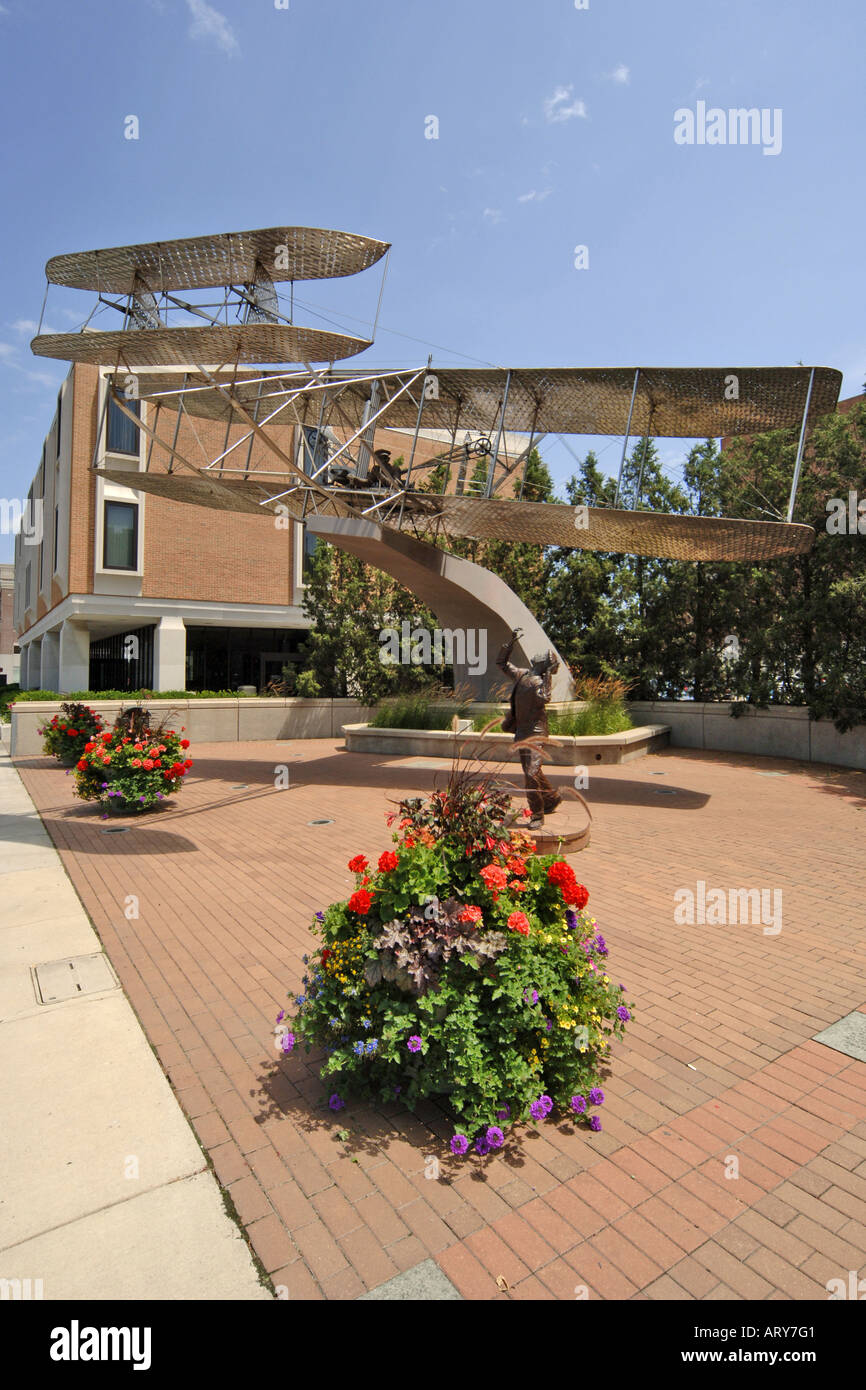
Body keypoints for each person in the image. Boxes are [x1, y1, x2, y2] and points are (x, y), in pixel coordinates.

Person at [495, 627, 562, 828]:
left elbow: (545, 697)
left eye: (545, 656)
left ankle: (537, 814)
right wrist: (510, 644)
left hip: (537, 733)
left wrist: (549, 673)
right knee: (532, 771)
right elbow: (501, 663)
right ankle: (551, 797)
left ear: (545, 664)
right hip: (521, 731)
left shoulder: (541, 682)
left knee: (531, 773)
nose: (540, 653)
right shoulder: (522, 675)